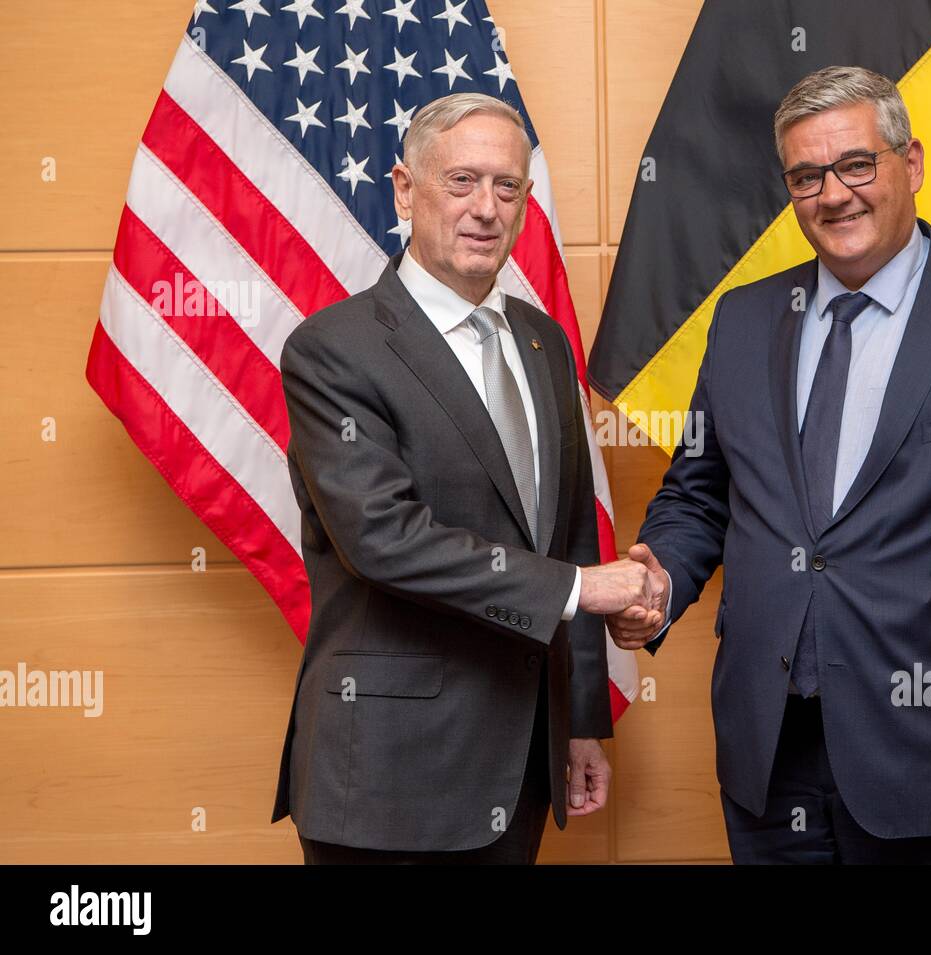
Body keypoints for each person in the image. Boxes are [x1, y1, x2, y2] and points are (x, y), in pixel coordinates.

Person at [608, 66, 931, 864]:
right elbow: (698, 495)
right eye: (807, 175)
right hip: (770, 755)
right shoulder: (744, 320)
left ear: (910, 164)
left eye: (858, 164)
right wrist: (660, 580)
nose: (835, 194)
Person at [271, 93, 660, 864]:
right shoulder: (332, 350)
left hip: (520, 769)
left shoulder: (545, 341)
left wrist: (582, 718)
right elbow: (383, 539)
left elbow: (571, 527)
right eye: (461, 182)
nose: (487, 208)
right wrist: (584, 587)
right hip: (389, 777)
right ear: (404, 190)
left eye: (507, 187)